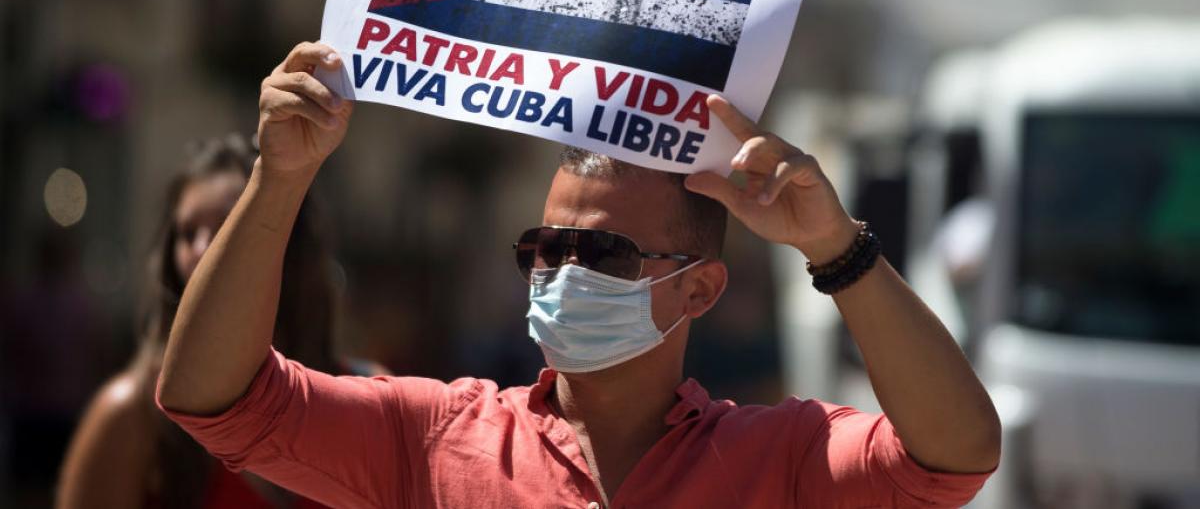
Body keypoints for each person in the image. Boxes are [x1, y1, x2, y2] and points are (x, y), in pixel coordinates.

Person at [157, 43, 1001, 508]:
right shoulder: (435, 438)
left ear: (699, 289)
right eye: (544, 247)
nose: (561, 271)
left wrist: (834, 247)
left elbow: (954, 458)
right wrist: (281, 178)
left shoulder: (779, 460)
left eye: (601, 254)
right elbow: (214, 399)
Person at [58, 133, 378, 509]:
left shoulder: (365, 399)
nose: (201, 250)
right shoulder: (130, 415)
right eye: (188, 233)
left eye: (230, 226)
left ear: (293, 244)